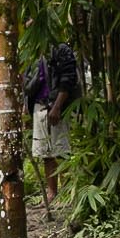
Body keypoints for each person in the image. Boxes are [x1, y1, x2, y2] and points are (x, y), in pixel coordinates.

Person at [26, 41, 80, 209]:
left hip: (57, 106)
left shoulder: (61, 49)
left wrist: (57, 106)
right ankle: (52, 193)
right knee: (45, 153)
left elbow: (68, 79)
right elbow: (28, 80)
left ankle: (66, 193)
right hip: (39, 106)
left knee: (61, 150)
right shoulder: (33, 50)